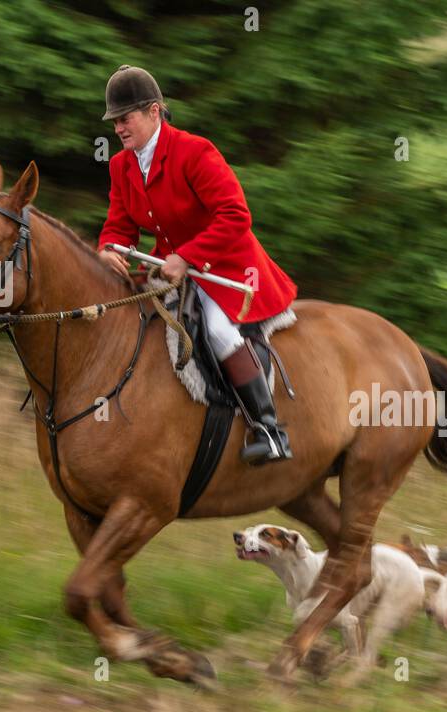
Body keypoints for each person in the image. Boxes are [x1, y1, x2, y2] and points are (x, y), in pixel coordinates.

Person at [96, 65, 296, 464]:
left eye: (125, 118)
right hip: (173, 270)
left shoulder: (195, 151)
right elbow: (120, 223)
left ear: (154, 112)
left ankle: (270, 431)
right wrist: (109, 249)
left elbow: (236, 216)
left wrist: (187, 256)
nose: (118, 128)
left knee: (219, 331)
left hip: (226, 269)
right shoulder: (122, 165)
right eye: (115, 121)